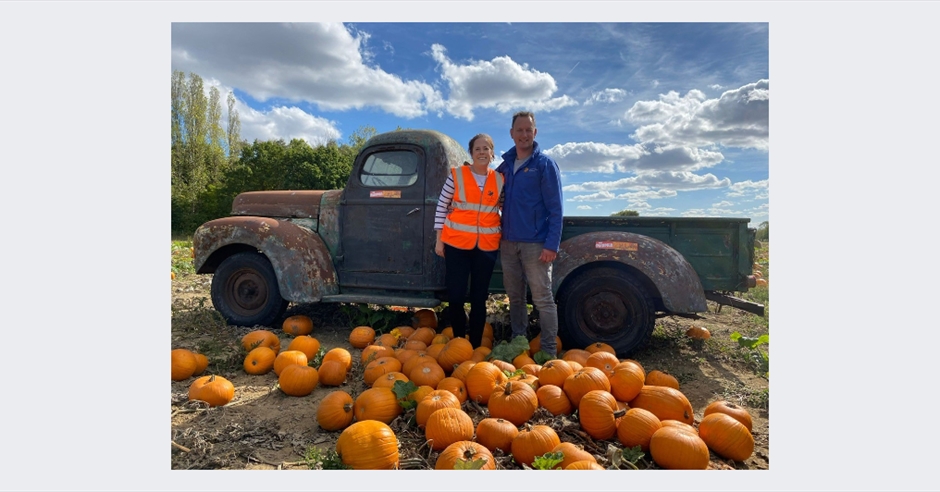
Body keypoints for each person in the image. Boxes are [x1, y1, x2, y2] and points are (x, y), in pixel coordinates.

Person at [495, 111, 564, 358]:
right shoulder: (503, 167)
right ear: (512, 133)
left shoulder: (545, 165)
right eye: (519, 130)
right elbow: (488, 195)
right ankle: (519, 342)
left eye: (528, 130)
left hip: (536, 243)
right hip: (508, 242)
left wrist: (551, 245)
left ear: (535, 133)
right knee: (514, 297)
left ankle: (548, 351)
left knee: (543, 298)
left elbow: (556, 209)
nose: (524, 134)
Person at [434, 133, 504, 349]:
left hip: (486, 247)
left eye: (486, 149)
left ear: (492, 153)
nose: (482, 152)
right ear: (471, 153)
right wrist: (439, 240)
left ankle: (474, 347)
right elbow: (441, 206)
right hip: (456, 244)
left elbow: (502, 209)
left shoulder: (500, 180)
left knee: (479, 298)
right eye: (477, 149)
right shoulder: (456, 176)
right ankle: (458, 343)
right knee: (455, 296)